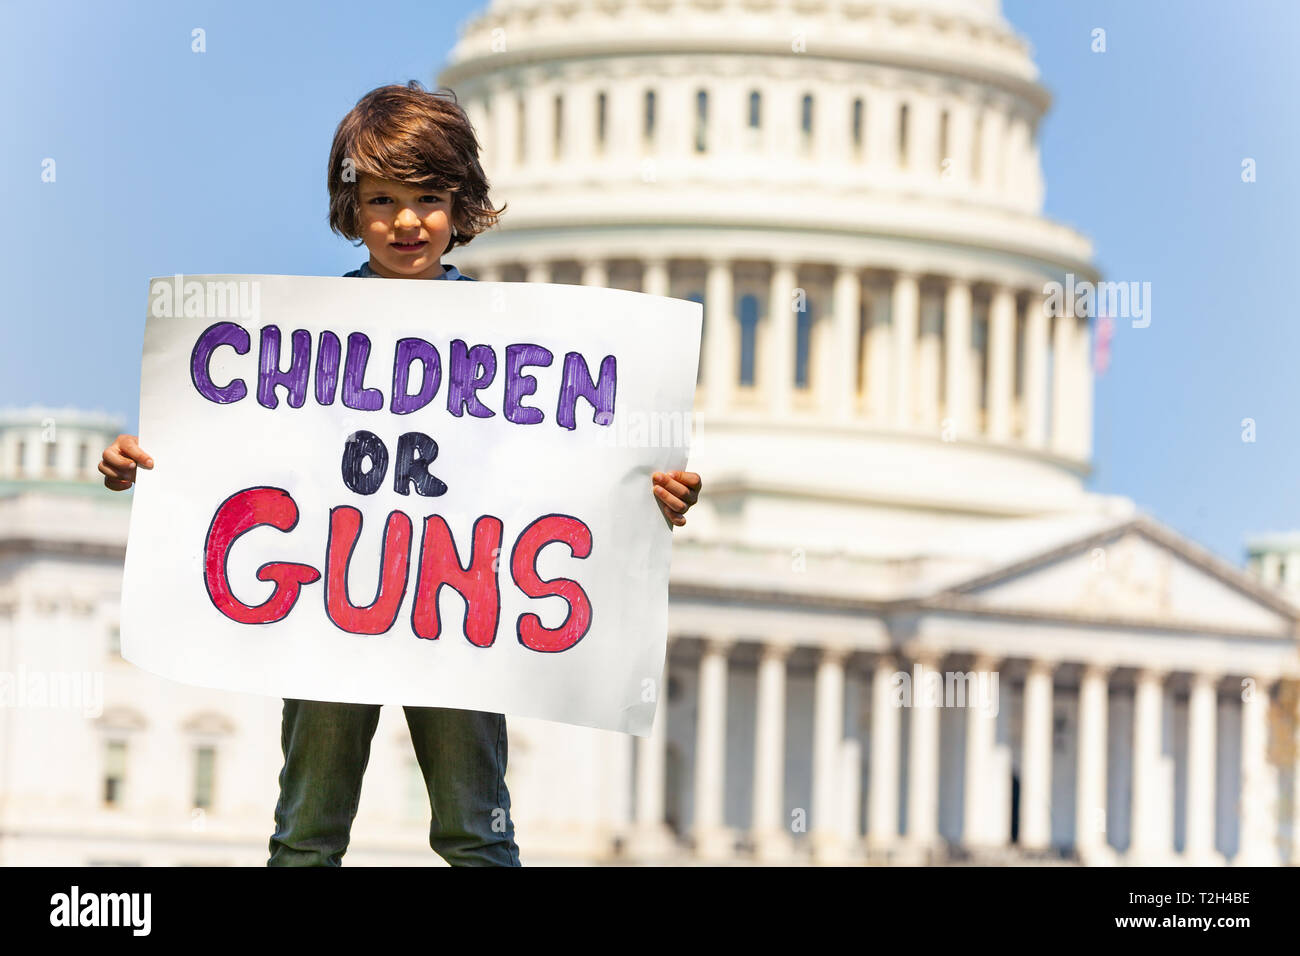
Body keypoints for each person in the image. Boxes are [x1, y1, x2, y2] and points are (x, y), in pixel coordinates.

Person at [98, 80, 703, 866]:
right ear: (350, 208)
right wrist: (142, 463)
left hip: (458, 606)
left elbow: (558, 470)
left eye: (426, 198)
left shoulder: (525, 347)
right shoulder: (298, 332)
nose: (405, 221)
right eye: (381, 199)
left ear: (462, 205)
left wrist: (650, 496)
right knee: (306, 832)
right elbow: (240, 445)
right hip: (328, 606)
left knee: (474, 829)